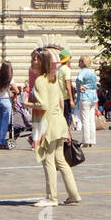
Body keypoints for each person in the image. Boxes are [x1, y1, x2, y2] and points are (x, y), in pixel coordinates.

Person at [30, 48, 81, 208]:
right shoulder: (53, 79)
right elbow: (60, 103)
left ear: (42, 62)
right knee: (61, 161)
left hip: (48, 124)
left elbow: (42, 105)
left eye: (35, 59)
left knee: (48, 161)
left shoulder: (39, 81)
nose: (32, 62)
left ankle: (51, 197)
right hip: (59, 122)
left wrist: (26, 104)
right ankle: (73, 195)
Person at [75, 56, 99, 146]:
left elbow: (78, 80)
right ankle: (92, 140)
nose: (78, 63)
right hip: (92, 97)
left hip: (84, 96)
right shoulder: (92, 72)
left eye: (79, 61)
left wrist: (79, 86)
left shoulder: (82, 71)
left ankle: (86, 141)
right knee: (91, 120)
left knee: (84, 119)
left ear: (83, 62)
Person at [0, 61, 13, 149]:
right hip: (6, 99)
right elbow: (16, 89)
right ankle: (1, 141)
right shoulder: (9, 77)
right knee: (5, 122)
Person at [57, 50, 75, 126]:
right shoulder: (67, 70)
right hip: (65, 97)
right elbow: (68, 85)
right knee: (67, 118)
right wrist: (71, 99)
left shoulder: (58, 69)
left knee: (61, 118)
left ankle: (67, 135)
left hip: (58, 97)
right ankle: (67, 134)